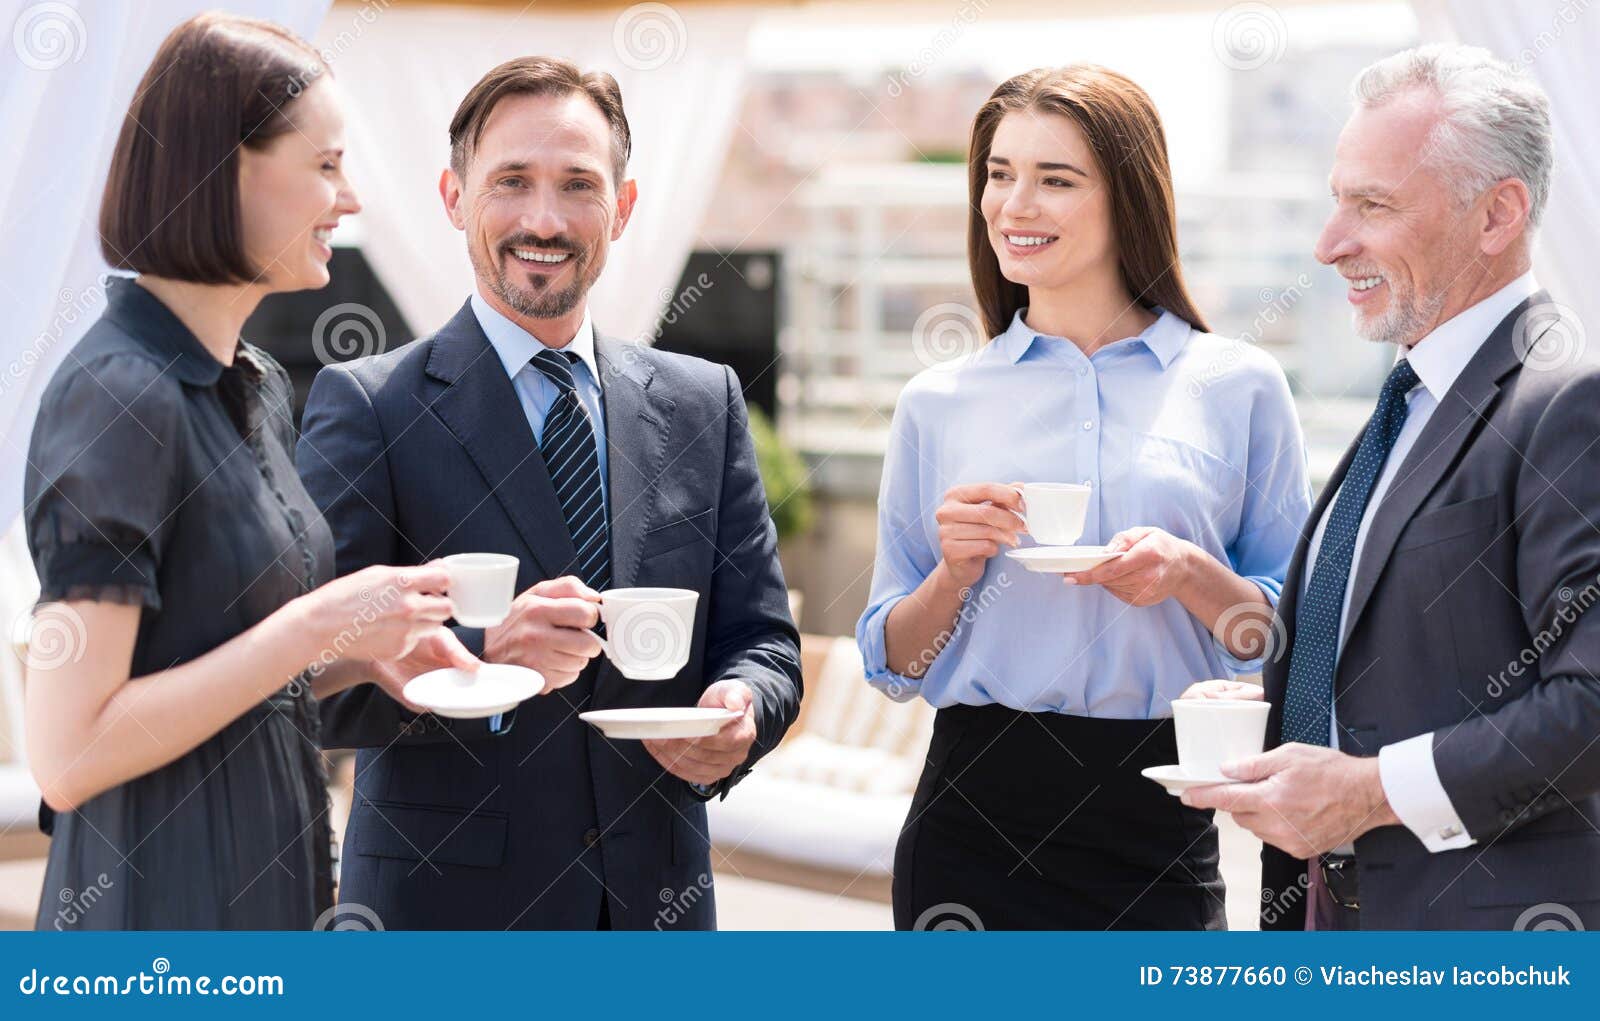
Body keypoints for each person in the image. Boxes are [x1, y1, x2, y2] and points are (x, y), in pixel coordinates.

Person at [296, 56, 802, 930]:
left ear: (624, 206)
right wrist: (482, 651)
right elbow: (307, 675)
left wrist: (741, 708)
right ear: (454, 198)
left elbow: (762, 639)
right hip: (443, 915)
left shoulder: (703, 402)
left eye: (577, 184)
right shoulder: (371, 406)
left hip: (658, 908)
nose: (544, 219)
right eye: (511, 182)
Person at [21, 13, 478, 930]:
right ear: (224, 166)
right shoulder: (118, 396)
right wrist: (322, 619)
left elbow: (215, 674)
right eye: (326, 164)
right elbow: (68, 752)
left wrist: (362, 654)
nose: (350, 199)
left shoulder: (254, 386)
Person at [855, 64, 1311, 930]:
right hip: (970, 821)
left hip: (1160, 826)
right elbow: (893, 663)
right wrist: (952, 574)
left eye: (1054, 180)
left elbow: (1289, 641)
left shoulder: (1240, 386)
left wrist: (1187, 573)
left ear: (1129, 198)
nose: (1013, 205)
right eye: (998, 174)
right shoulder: (938, 401)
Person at [1185, 44, 1600, 931]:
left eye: (1372, 205)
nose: (1330, 244)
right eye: (1338, 200)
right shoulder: (1403, 405)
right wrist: (1287, 694)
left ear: (1498, 215)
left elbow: (1590, 702)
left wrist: (1369, 792)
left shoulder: (1568, 402)